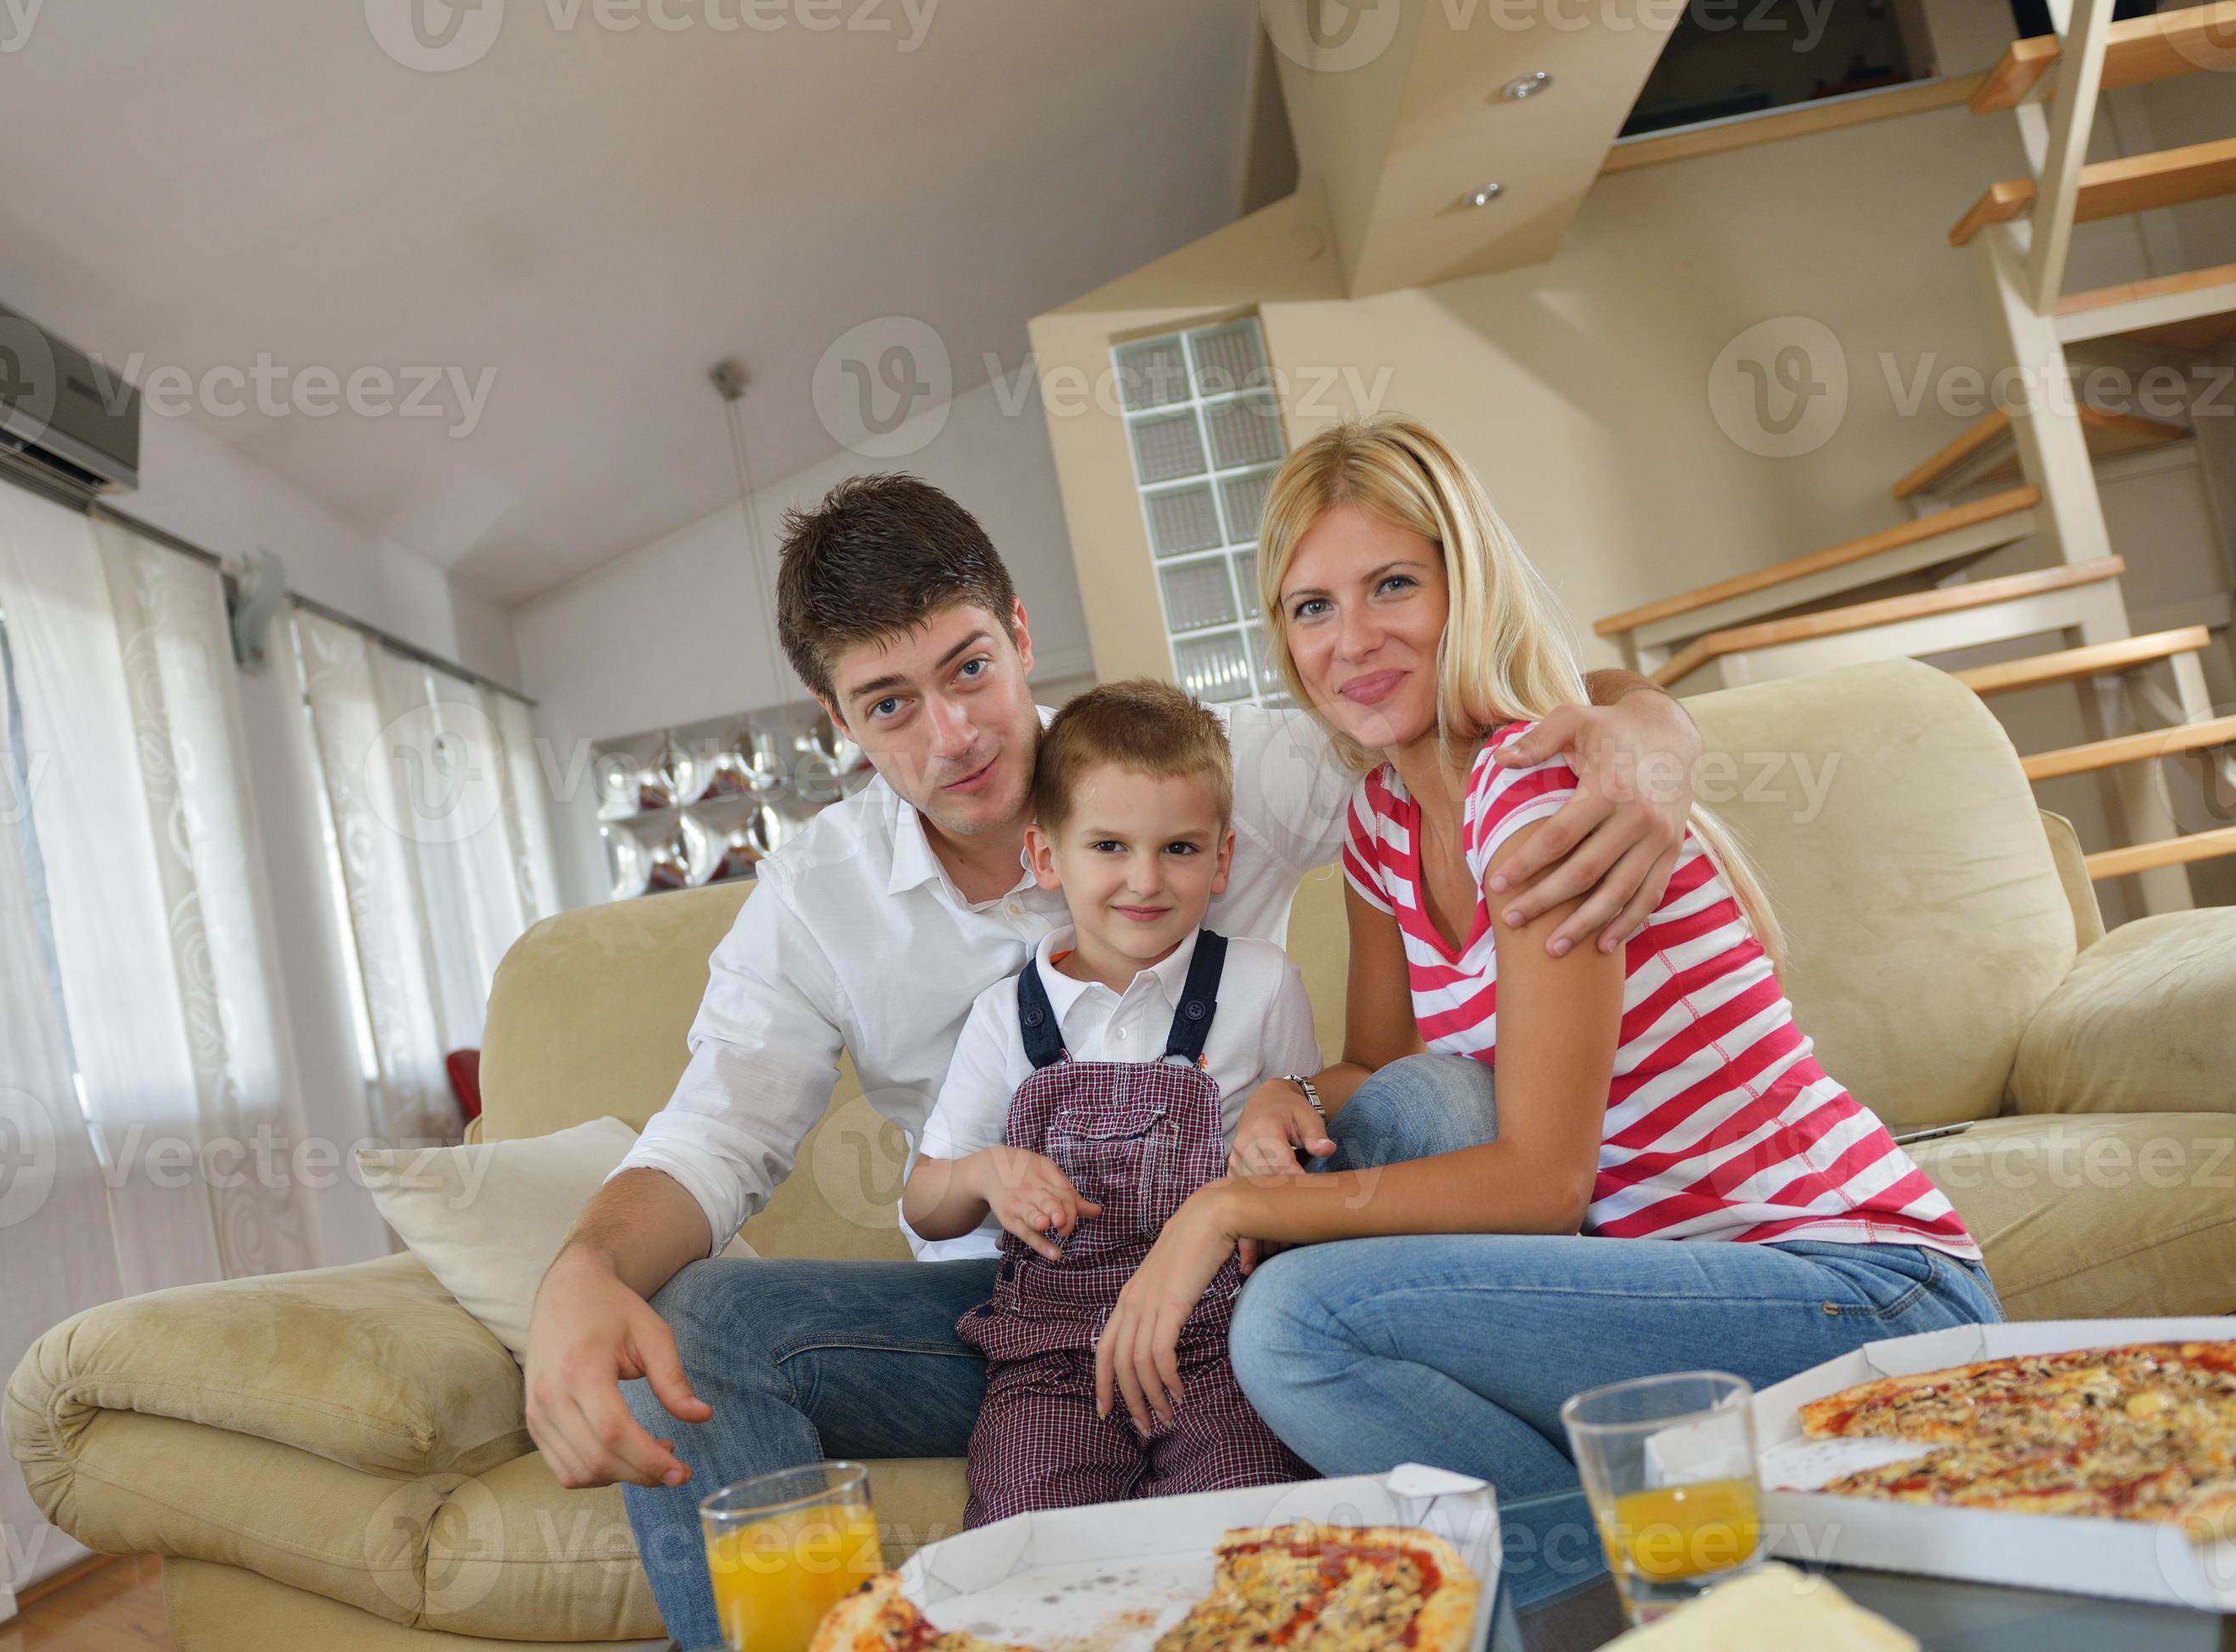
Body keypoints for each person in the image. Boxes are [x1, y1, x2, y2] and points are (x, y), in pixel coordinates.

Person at [519, 473, 1705, 1646]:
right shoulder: (816, 904)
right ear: (837, 722)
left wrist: (1646, 724)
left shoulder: (1203, 763)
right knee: (689, 1319)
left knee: (1431, 1099)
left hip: (1248, 1284)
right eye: (888, 705)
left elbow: (1439, 703)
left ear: (1022, 634)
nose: (955, 733)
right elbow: (716, 1135)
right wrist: (584, 1268)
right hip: (1016, 1313)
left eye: (969, 668)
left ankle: (1498, 1584)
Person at [1064, 416, 1997, 1530]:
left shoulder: (1542, 794)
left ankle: (1615, 1587)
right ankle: (1660, 1565)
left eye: (1392, 587)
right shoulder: (1381, 821)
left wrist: (1225, 1206)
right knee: (1407, 1118)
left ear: (1466, 589)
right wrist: (1292, 1095)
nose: (1350, 640)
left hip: (1856, 1284)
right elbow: (1381, 1065)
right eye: (1312, 607)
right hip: (1652, 1289)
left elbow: (1543, 1182)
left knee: (1294, 1325)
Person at [904, 681, 1321, 1526]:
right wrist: (986, 1172)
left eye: (1178, 847)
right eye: (1108, 845)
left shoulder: (1261, 983)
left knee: (1250, 1521)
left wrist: (1276, 1164)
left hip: (1217, 1344)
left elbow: (1306, 1141)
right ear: (1047, 856)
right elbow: (924, 1201)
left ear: (1222, 858)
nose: (1143, 879)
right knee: (1022, 1523)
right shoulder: (1004, 1017)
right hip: (1049, 1360)